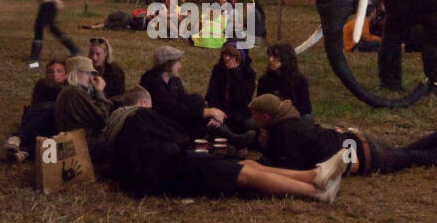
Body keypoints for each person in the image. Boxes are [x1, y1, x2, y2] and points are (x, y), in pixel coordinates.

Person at [105, 87, 344, 203]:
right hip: (175, 167)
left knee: (248, 164)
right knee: (245, 172)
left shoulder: (120, 130)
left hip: (174, 165)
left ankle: (313, 176)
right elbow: (174, 136)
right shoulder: (139, 118)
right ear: (143, 103)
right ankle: (316, 192)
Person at [247, 94, 437, 176]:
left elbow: (292, 166)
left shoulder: (284, 133)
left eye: (256, 116)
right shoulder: (292, 120)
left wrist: (264, 152)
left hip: (366, 157)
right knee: (408, 152)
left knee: (417, 157)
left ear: (266, 117)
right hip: (359, 141)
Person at [139, 45, 227, 135]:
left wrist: (209, 113)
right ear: (168, 65)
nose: (180, 66)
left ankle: (217, 128)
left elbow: (184, 99)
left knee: (196, 99)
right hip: (163, 124)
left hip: (178, 118)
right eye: (177, 63)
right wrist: (206, 112)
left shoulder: (173, 80)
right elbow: (172, 110)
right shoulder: (152, 82)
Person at [4, 58, 66, 163]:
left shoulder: (69, 89)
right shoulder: (43, 85)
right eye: (50, 72)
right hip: (39, 123)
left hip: (54, 126)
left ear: (66, 74)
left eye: (59, 71)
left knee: (50, 136)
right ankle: (21, 143)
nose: (54, 75)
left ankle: (23, 148)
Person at [54, 55, 113, 160]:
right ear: (76, 73)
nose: (91, 77)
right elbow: (102, 121)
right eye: (88, 73)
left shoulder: (69, 91)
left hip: (75, 143)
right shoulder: (75, 92)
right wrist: (100, 92)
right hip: (84, 145)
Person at [205, 43, 258, 131]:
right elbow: (212, 94)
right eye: (225, 54)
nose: (227, 58)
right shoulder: (219, 69)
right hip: (220, 110)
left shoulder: (248, 73)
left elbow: (244, 100)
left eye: (231, 55)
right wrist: (216, 113)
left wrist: (236, 77)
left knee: (250, 124)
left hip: (239, 113)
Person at [257, 42, 314, 116]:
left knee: (308, 118)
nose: (271, 59)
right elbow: (259, 106)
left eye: (275, 56)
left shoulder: (299, 80)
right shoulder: (264, 80)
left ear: (285, 58)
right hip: (271, 117)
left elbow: (306, 108)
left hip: (292, 116)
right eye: (270, 56)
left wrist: (291, 105)